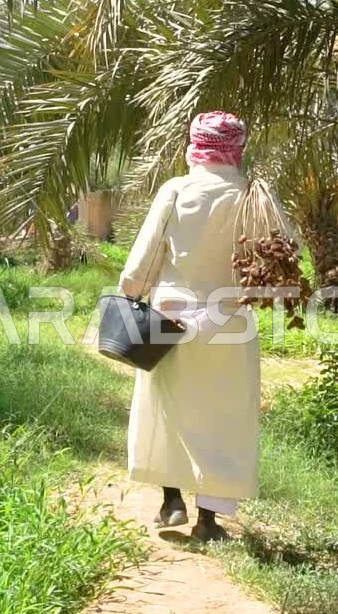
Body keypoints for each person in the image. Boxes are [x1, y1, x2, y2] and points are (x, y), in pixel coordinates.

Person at [118, 111, 261, 542]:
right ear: (237, 147)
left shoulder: (176, 191)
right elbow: (277, 263)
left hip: (170, 318)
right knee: (223, 416)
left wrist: (131, 291)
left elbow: (144, 259)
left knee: (168, 407)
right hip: (230, 322)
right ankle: (209, 523)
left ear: (194, 145)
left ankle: (171, 501)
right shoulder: (254, 195)